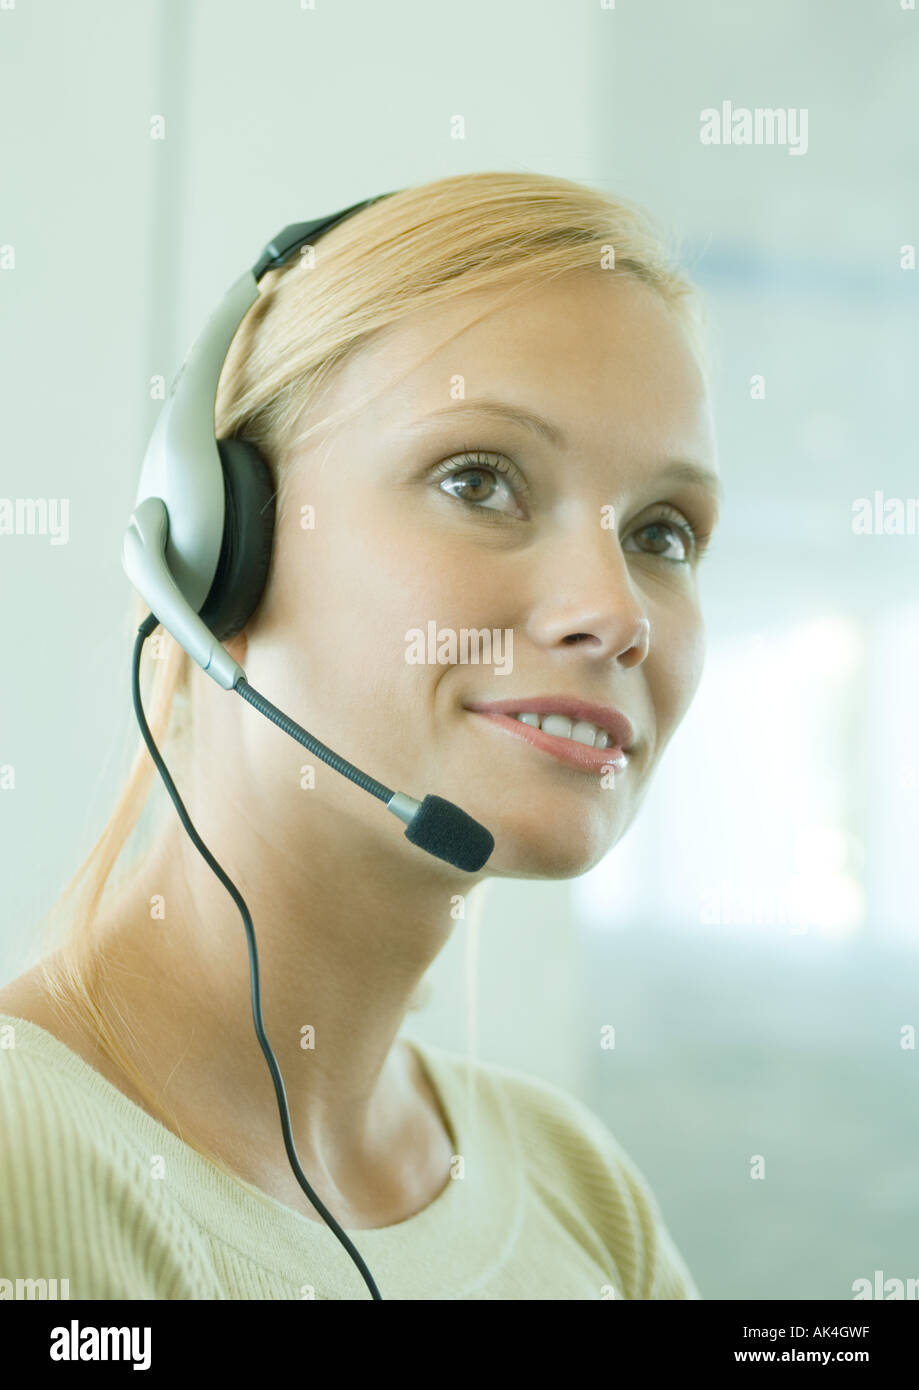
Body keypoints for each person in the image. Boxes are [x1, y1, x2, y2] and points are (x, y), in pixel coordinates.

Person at [0, 169, 720, 1299]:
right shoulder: (21, 1158)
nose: (617, 610)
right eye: (478, 478)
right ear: (216, 549)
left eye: (662, 533)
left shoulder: (579, 1190)